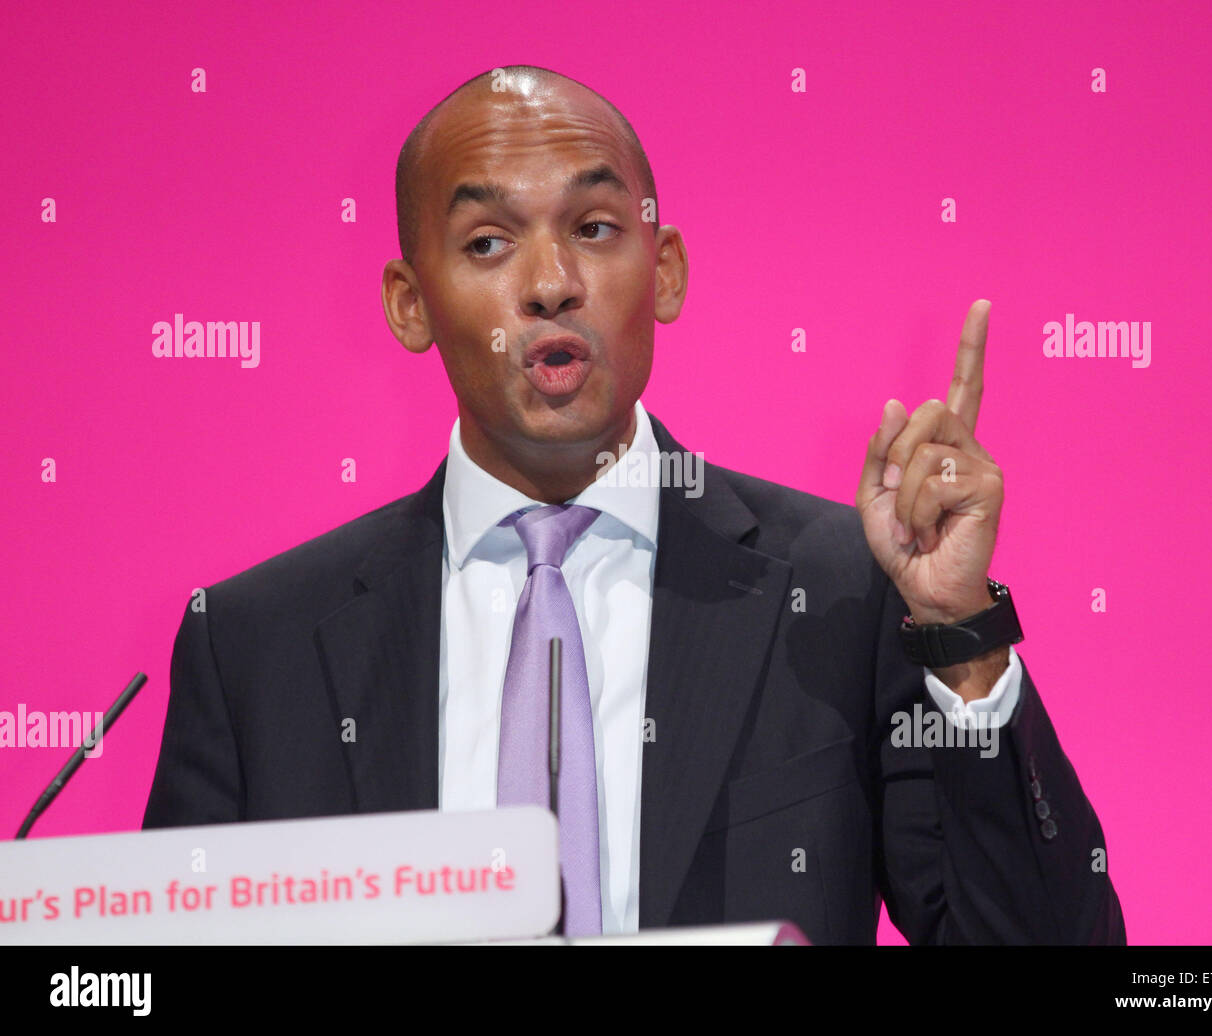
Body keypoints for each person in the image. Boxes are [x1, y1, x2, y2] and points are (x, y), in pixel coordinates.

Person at [143, 64, 1125, 945]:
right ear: (410, 302)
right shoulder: (255, 648)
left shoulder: (841, 593)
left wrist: (961, 635)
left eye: (594, 229)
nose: (551, 285)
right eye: (487, 242)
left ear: (665, 272)